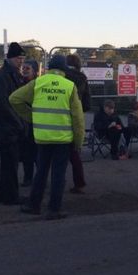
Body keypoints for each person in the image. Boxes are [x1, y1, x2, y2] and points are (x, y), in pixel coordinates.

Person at [10, 55, 84, 220]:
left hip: (42, 137)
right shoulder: (69, 86)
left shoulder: (38, 83)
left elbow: (14, 99)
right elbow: (78, 118)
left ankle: (33, 205)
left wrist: (31, 117)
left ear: (49, 68)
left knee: (41, 172)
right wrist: (78, 141)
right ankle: (54, 209)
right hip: (63, 139)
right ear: (64, 69)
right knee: (58, 175)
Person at [0, 42, 26, 205]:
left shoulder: (10, 74)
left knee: (9, 163)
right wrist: (17, 121)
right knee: (10, 163)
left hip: (9, 126)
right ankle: (9, 196)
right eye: (19, 58)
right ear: (11, 58)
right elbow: (1, 103)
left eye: (22, 58)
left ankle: (5, 194)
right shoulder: (4, 76)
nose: (21, 61)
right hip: (7, 127)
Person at [64, 54, 89, 192]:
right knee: (75, 153)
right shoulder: (82, 78)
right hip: (76, 115)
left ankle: (56, 182)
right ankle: (79, 183)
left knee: (57, 154)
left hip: (61, 117)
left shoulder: (63, 77)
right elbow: (87, 103)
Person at [19, 59, 39, 186]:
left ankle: (39, 177)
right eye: (24, 68)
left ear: (35, 71)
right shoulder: (19, 82)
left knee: (37, 153)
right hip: (23, 121)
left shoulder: (38, 85)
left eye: (28, 68)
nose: (25, 70)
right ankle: (28, 178)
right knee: (26, 153)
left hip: (35, 121)